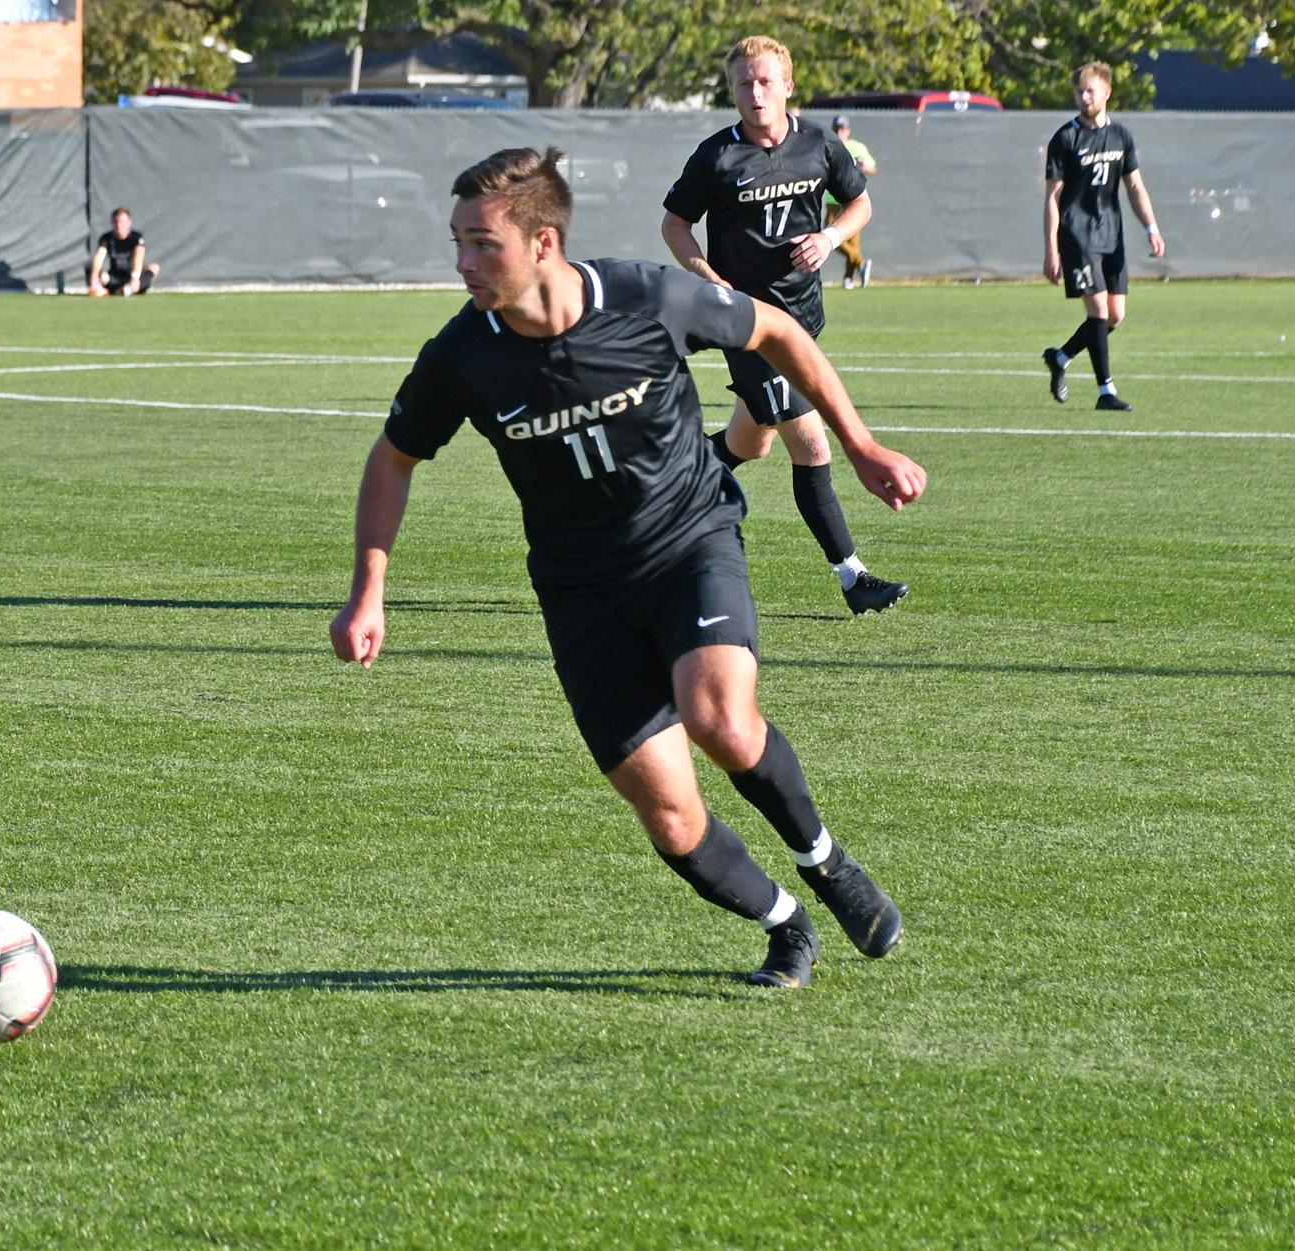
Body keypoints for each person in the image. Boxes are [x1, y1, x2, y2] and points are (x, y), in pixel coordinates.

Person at [331, 147, 926, 988]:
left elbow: (778, 330)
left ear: (543, 243)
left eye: (481, 244)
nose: (462, 263)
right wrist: (369, 591)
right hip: (581, 594)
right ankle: (785, 925)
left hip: (691, 542)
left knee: (718, 717)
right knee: (671, 814)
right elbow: (394, 458)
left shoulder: (646, 297)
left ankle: (824, 861)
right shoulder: (463, 355)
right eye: (456, 242)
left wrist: (860, 447)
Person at [662, 35, 907, 617]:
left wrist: (829, 237)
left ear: (787, 85)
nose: (754, 93)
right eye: (743, 84)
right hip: (747, 323)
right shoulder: (716, 156)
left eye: (765, 81)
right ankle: (853, 577)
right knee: (812, 442)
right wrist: (709, 278)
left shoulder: (819, 143)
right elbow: (674, 226)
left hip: (803, 316)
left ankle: (661, 482)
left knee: (752, 442)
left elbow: (860, 204)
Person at [1040, 61, 1165, 412]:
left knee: (1114, 315)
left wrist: (1151, 227)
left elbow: (1135, 186)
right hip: (1077, 236)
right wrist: (1051, 249)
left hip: (1112, 234)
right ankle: (1105, 391)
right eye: (1079, 91)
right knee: (1097, 309)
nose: (1083, 97)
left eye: (1090, 90)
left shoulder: (1121, 136)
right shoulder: (1065, 138)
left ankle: (1061, 357)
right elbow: (1052, 197)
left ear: (1107, 92)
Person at [825, 116, 877, 289]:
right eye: (837, 128)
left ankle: (848, 278)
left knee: (852, 240)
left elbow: (873, 168)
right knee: (832, 233)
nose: (840, 132)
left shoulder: (857, 147)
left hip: (852, 199)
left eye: (843, 128)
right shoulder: (828, 143)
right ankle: (861, 264)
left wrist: (865, 167)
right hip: (833, 200)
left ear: (848, 130)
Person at [87, 207, 159, 296]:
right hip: (114, 277)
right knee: (100, 275)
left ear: (129, 223)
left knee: (154, 267)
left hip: (132, 278)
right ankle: (106, 289)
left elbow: (139, 257)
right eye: (116, 222)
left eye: (122, 222)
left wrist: (135, 277)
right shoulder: (106, 238)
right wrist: (94, 277)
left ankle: (127, 290)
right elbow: (99, 257)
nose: (118, 225)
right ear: (112, 223)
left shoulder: (136, 237)